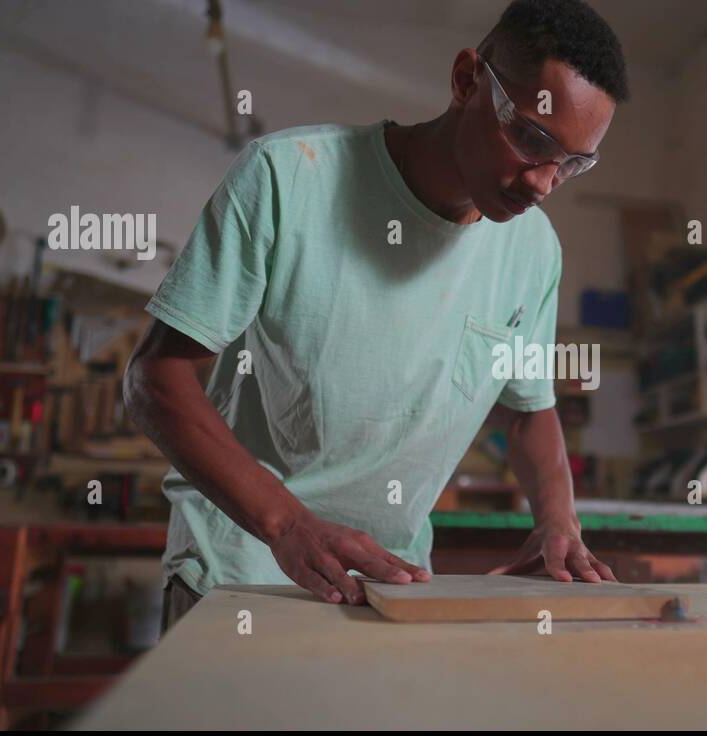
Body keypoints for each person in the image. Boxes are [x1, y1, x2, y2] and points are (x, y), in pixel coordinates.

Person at [123, 0, 631, 633]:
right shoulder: (287, 180)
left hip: (391, 588)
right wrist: (286, 524)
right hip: (241, 576)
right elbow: (155, 380)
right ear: (466, 80)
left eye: (572, 163)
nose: (543, 183)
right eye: (531, 137)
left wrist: (558, 522)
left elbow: (529, 411)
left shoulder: (533, 251)